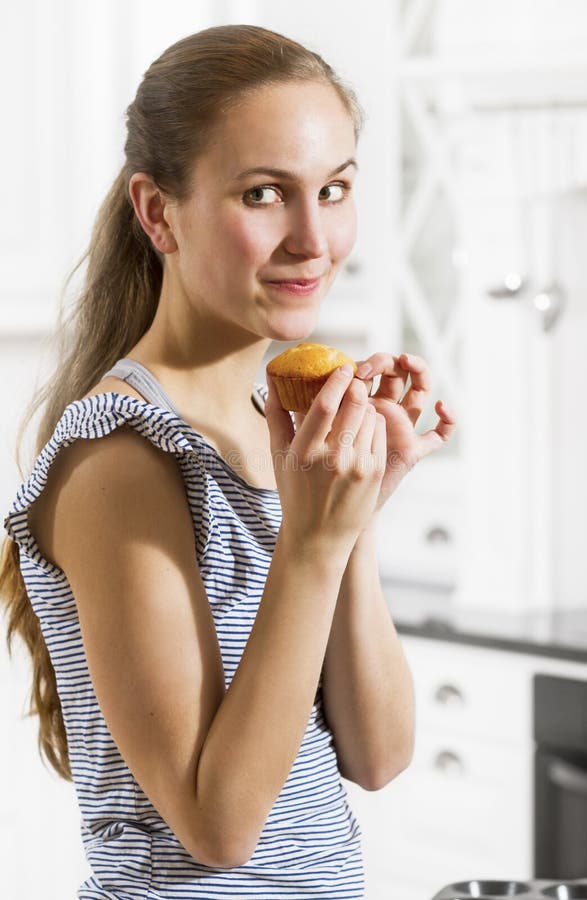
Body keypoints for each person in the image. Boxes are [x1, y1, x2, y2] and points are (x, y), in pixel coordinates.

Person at [0, 23, 455, 900]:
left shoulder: (270, 424)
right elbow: (218, 827)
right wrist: (313, 543)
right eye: (262, 195)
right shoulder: (122, 454)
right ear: (157, 211)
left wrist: (349, 517)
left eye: (334, 189)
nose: (312, 238)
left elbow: (380, 754)